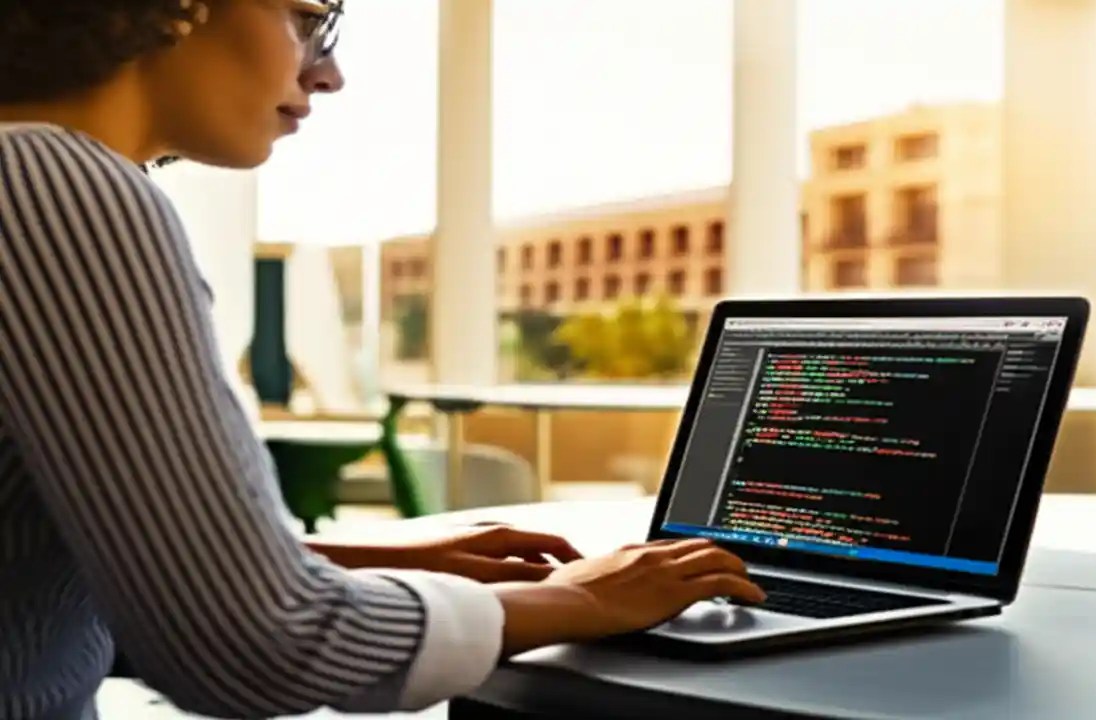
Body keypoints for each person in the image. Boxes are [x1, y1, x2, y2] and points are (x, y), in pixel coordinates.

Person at [0, 1, 766, 717]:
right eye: (305, 18)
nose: (327, 73)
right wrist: (582, 602)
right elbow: (258, 645)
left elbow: (76, 575)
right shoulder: (50, 184)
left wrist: (364, 560)